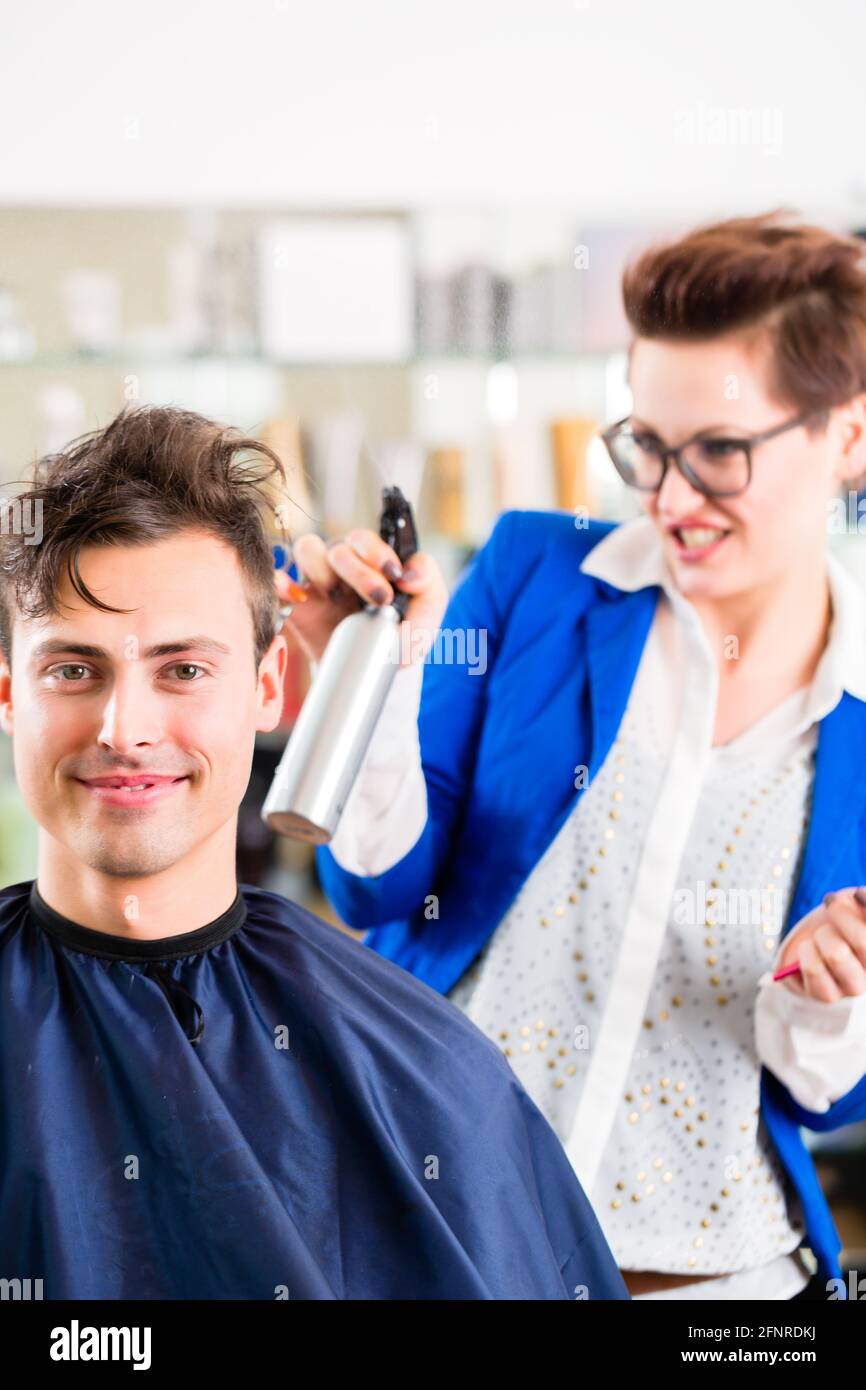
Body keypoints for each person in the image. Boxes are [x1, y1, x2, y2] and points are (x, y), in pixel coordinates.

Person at [288, 212, 866, 1301]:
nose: (668, 499)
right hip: (449, 1247)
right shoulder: (536, 580)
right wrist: (365, 684)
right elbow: (383, 887)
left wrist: (834, 990)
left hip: (717, 1286)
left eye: (720, 454)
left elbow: (826, 1098)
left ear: (845, 435)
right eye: (646, 445)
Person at [0, 404, 630, 1302]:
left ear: (268, 687)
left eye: (183, 669)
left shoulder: (422, 1072)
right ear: (9, 694)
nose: (124, 729)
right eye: (73, 669)